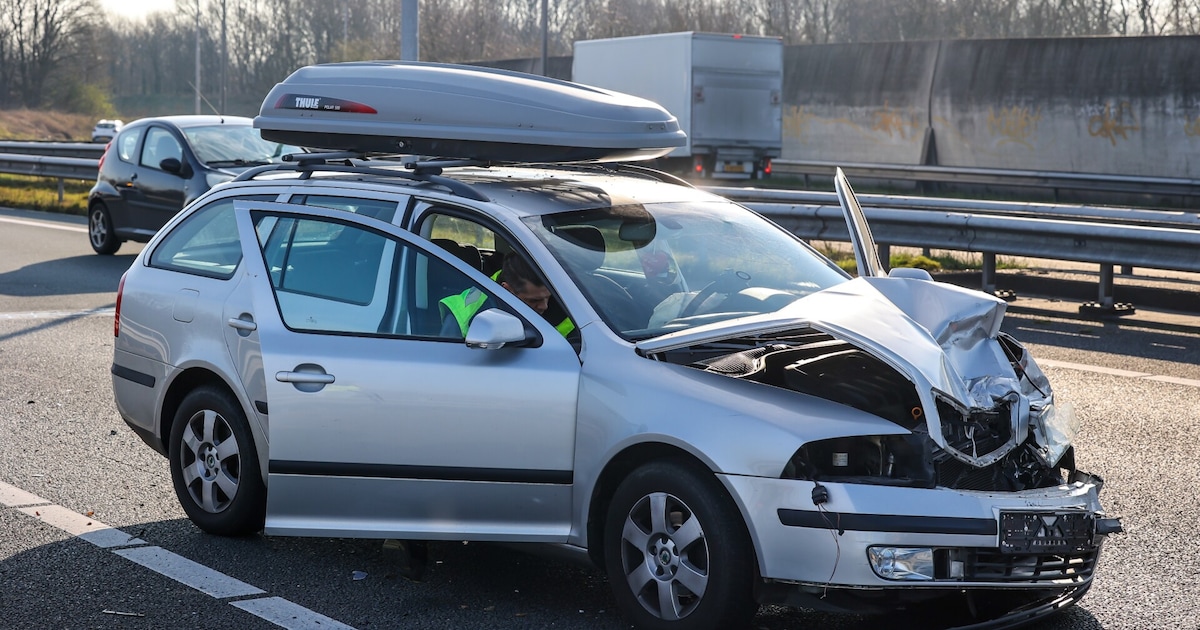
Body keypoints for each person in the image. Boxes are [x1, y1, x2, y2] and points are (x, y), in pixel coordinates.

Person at [439, 252, 575, 338]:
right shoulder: (465, 316)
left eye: (548, 297)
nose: (544, 306)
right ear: (507, 290)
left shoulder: (573, 305)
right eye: (534, 300)